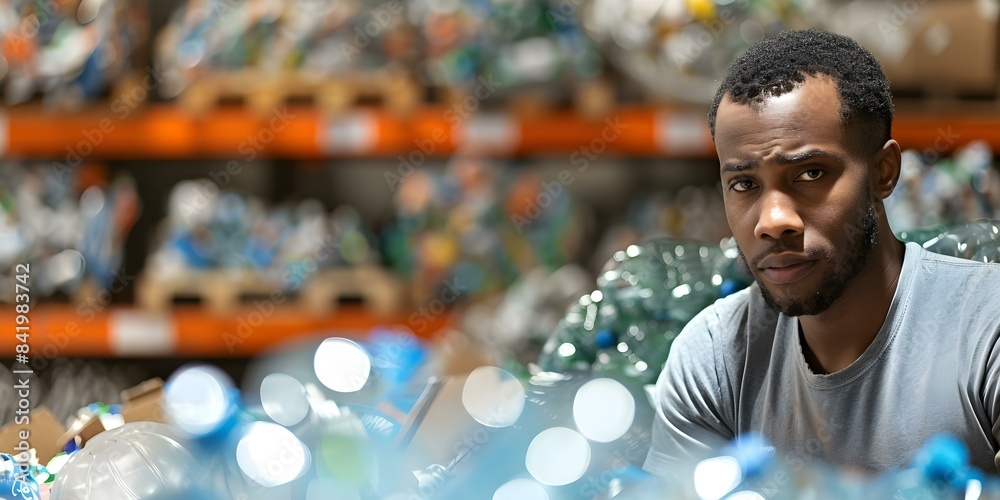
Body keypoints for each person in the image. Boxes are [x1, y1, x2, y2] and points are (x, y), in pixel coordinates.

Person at [643, 28, 1000, 476]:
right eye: (744, 184)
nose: (772, 220)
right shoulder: (714, 360)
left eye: (810, 174)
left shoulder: (987, 331)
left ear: (883, 173)